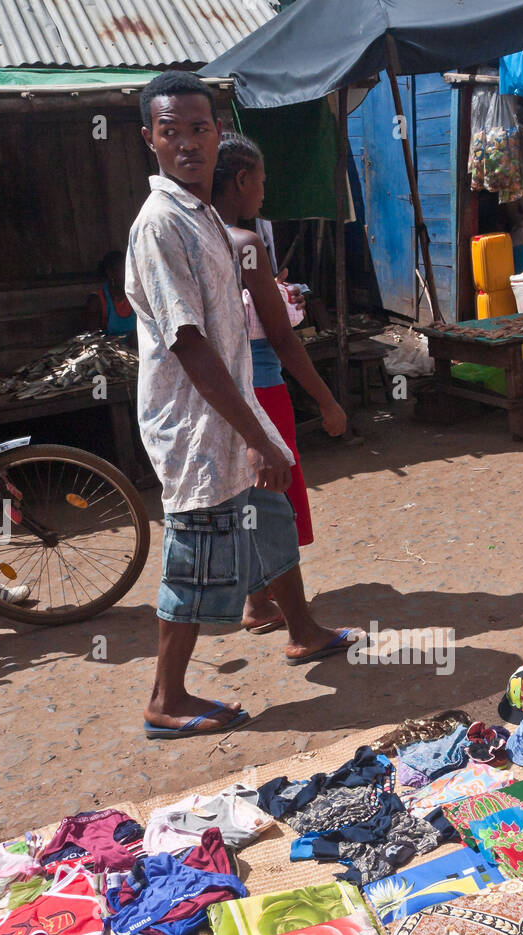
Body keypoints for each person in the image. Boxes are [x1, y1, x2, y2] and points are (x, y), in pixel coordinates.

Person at [126, 72, 357, 739]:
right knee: (196, 555)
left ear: (215, 133)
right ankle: (166, 699)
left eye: (199, 128)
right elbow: (190, 346)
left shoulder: (204, 218)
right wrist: (255, 431)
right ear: (151, 138)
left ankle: (303, 630)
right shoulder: (162, 225)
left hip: (231, 410)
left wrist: (256, 429)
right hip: (197, 425)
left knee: (271, 515)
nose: (188, 143)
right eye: (171, 130)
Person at [211, 133, 347, 635]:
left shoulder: (189, 236)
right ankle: (294, 624)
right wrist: (328, 402)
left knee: (249, 497)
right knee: (275, 500)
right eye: (261, 181)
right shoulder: (243, 243)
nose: (264, 193)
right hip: (261, 390)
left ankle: (257, 602)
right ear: (242, 180)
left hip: (215, 394)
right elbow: (284, 340)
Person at [86, 252, 138, 346]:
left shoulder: (136, 297)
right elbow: (93, 340)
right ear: (111, 273)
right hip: (110, 356)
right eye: (125, 272)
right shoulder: (97, 301)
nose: (131, 277)